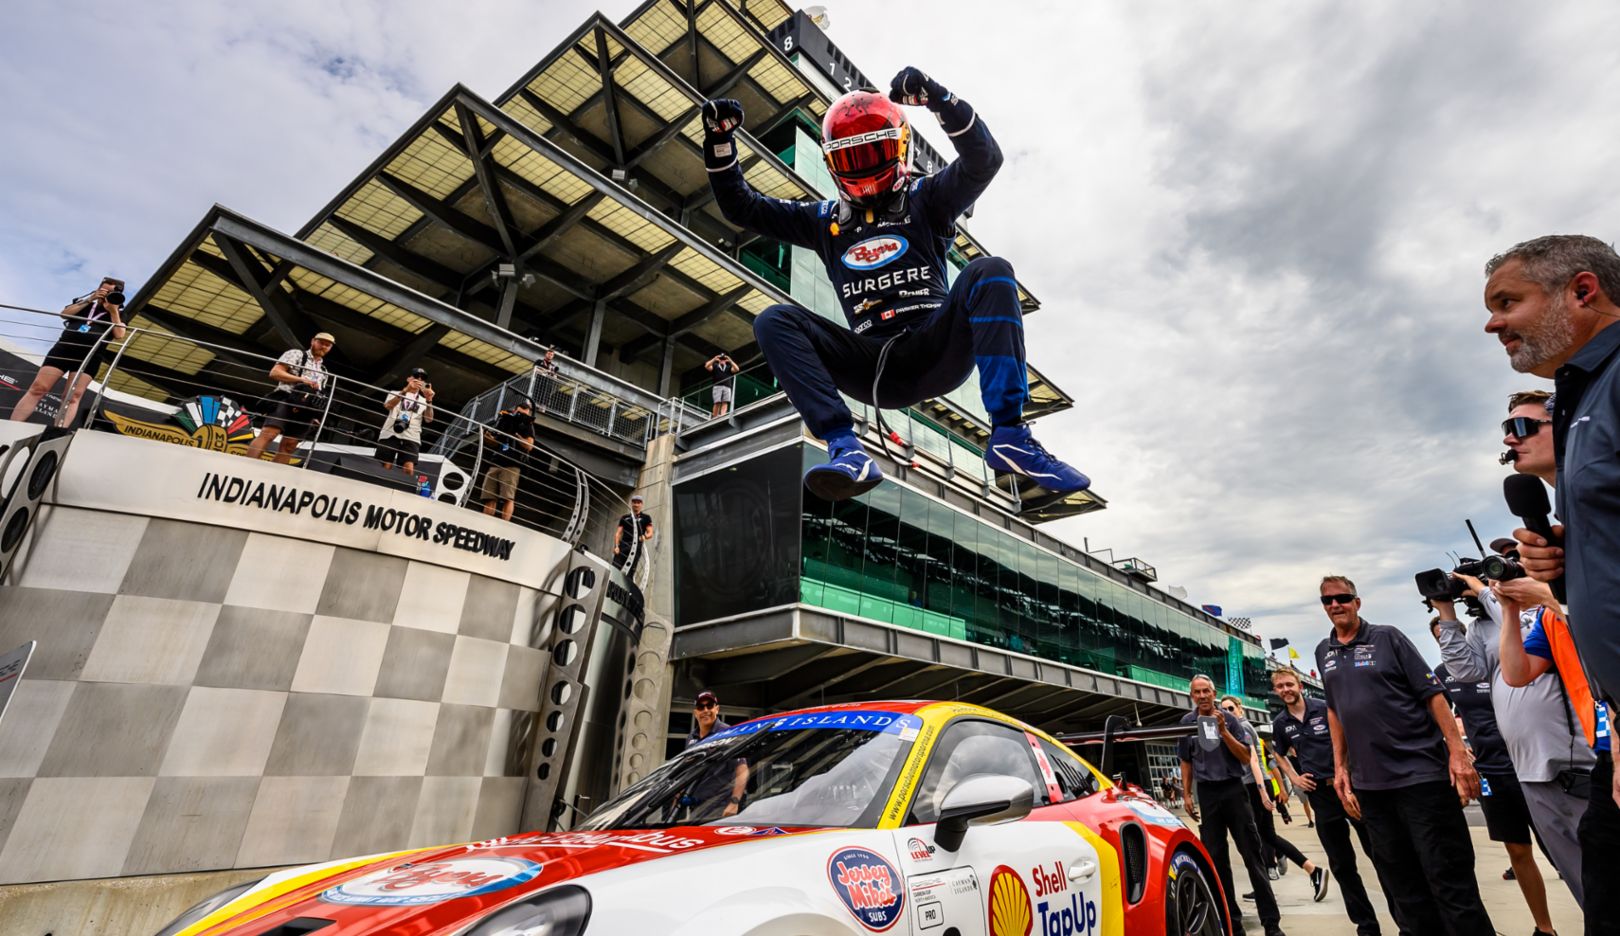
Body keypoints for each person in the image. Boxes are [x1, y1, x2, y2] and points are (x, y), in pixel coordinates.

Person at [701, 69, 1088, 502]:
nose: (864, 168)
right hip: (872, 366)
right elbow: (743, 207)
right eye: (852, 158)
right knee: (774, 320)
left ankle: (1010, 433)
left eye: (873, 153)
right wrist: (719, 141)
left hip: (935, 347)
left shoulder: (928, 198)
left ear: (899, 149)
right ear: (832, 162)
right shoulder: (823, 221)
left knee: (991, 270)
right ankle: (845, 448)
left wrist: (939, 99)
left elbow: (984, 161)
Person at [1487, 237, 1620, 842]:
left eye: (1507, 302)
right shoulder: (1584, 401)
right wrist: (1565, 567)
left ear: (1582, 290)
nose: (1493, 323)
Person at [1314, 575, 1493, 935]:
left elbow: (1433, 693)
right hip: (1372, 788)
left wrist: (1457, 752)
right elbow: (1334, 711)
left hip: (1421, 777)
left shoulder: (1387, 637)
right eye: (1328, 600)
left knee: (1447, 876)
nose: (1336, 605)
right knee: (1401, 884)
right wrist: (1339, 767)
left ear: (1357, 602)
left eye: (1343, 598)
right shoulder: (1324, 652)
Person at [1495, 387, 1603, 923]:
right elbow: (1515, 673)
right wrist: (1515, 603)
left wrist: (1550, 595)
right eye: (1505, 431)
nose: (1511, 440)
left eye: (1524, 427)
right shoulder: (1566, 526)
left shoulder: (1600, 509)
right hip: (1606, 755)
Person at [1429, 608, 1570, 928]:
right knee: (1518, 850)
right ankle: (1544, 927)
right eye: (1439, 639)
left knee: (1560, 845)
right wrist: (1456, 748)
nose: (1445, 642)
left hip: (1526, 761)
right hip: (1490, 768)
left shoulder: (1493, 661)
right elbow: (1438, 712)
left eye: (1450, 635)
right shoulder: (1444, 672)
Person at [1269, 669, 1395, 936]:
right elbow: (1277, 753)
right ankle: (1366, 926)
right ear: (1276, 691)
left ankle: (1405, 921)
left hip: (1350, 789)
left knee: (1381, 855)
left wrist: (1349, 773)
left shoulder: (1326, 707)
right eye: (1279, 686)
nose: (1285, 689)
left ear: (1300, 685)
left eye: (1289, 684)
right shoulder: (1281, 723)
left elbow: (1352, 738)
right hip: (1320, 796)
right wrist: (1293, 776)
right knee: (1341, 864)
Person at [1179, 675, 1286, 936]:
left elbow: (1246, 756)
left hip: (1233, 790)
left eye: (1207, 691)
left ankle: (1271, 923)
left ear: (1214, 693)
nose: (1203, 696)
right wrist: (1187, 794)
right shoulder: (1187, 723)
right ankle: (1232, 924)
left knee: (1253, 856)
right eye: (1197, 692)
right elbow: (1185, 760)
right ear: (1192, 696)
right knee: (1217, 863)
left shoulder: (1232, 720)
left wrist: (1224, 730)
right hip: (1207, 793)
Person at [1221, 696, 1330, 901]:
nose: (1228, 712)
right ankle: (1312, 870)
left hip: (1255, 786)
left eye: (1231, 708)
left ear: (1240, 709)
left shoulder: (1243, 728)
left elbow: (1254, 762)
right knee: (1266, 837)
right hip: (1257, 785)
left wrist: (1263, 792)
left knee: (1255, 838)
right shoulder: (1238, 729)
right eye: (1224, 710)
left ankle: (1268, 884)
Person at [10, 277, 127, 426]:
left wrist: (113, 311)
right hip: (63, 349)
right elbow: (64, 314)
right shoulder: (85, 304)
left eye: (111, 293)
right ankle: (12, 426)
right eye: (104, 291)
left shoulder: (119, 314)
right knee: (38, 387)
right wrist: (89, 299)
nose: (106, 295)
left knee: (72, 397)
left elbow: (119, 334)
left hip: (90, 356)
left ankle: (56, 432)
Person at [244, 332, 334, 464]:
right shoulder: (297, 354)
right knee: (269, 434)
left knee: (290, 445)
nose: (324, 347)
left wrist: (315, 415)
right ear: (313, 341)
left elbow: (318, 393)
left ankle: (272, 478)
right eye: (321, 343)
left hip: (306, 409)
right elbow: (275, 373)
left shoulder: (324, 371)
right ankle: (245, 467)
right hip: (286, 398)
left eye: (328, 345)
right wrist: (301, 380)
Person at [683, 691, 747, 818]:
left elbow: (742, 769)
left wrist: (734, 802)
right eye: (701, 707)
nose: (705, 710)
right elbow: (687, 768)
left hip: (721, 806)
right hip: (697, 805)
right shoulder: (691, 738)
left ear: (717, 709)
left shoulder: (729, 733)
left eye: (709, 706)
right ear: (695, 712)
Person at [480, 398, 534, 521]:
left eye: (524, 415)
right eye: (519, 413)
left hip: (512, 464)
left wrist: (518, 436)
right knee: (489, 496)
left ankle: (504, 524)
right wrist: (487, 436)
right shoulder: (506, 420)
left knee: (507, 497)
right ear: (515, 411)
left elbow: (530, 446)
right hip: (496, 461)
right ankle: (484, 523)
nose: (521, 416)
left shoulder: (527, 425)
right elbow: (494, 442)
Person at [375, 368, 434, 477]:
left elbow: (428, 419)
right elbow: (388, 406)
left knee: (409, 469)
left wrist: (429, 400)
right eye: (416, 376)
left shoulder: (423, 400)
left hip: (411, 435)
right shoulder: (395, 393)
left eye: (423, 378)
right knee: (386, 466)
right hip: (391, 432)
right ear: (409, 379)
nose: (419, 379)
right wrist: (405, 390)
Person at [613, 494, 654, 577]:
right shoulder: (625, 517)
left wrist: (644, 537)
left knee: (630, 571)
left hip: (636, 547)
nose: (636, 504)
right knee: (615, 568)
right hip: (623, 545)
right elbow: (618, 533)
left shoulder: (646, 517)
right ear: (631, 504)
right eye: (634, 502)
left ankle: (626, 589)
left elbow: (650, 533)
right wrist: (616, 546)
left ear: (641, 504)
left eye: (638, 503)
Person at [705, 352, 737, 418]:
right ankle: (715, 417)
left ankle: (722, 416)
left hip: (727, 386)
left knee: (725, 402)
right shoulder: (715, 366)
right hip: (717, 386)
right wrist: (714, 359)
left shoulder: (728, 367)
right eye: (721, 359)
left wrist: (730, 360)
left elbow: (737, 369)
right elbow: (706, 366)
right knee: (717, 402)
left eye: (724, 359)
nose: (722, 360)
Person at [534, 346, 559, 414]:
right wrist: (547, 372)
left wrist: (545, 371)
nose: (550, 355)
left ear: (553, 356)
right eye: (548, 354)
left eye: (551, 355)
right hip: (538, 385)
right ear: (545, 354)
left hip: (547, 389)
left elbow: (555, 377)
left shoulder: (554, 367)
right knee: (533, 402)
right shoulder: (539, 361)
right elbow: (536, 369)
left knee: (543, 407)